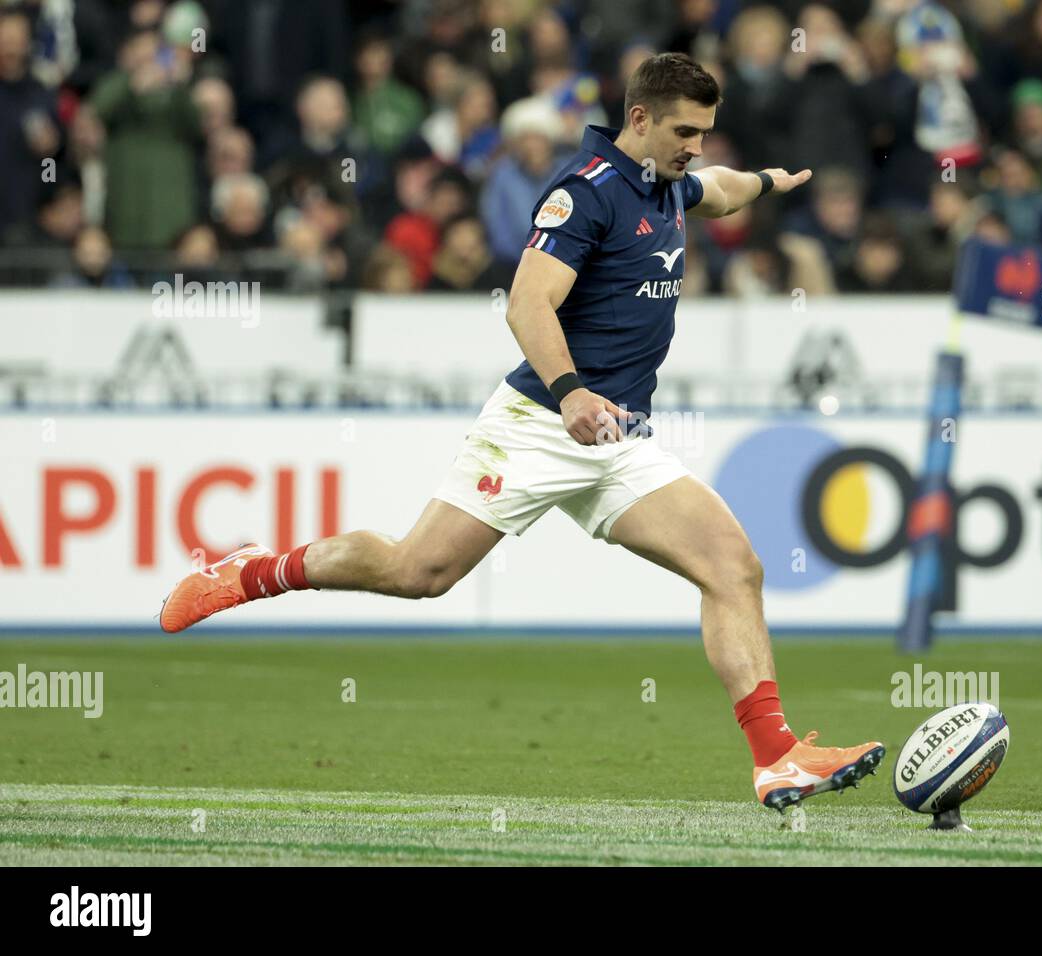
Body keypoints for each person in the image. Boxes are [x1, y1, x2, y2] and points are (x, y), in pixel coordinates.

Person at [159, 52, 884, 814]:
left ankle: (776, 759)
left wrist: (772, 181)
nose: (695, 146)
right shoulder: (586, 195)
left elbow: (725, 192)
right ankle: (246, 572)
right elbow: (527, 303)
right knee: (418, 574)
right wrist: (570, 393)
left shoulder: (669, 183)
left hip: (619, 440)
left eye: (704, 133)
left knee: (734, 567)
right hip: (542, 424)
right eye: (683, 131)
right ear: (638, 119)